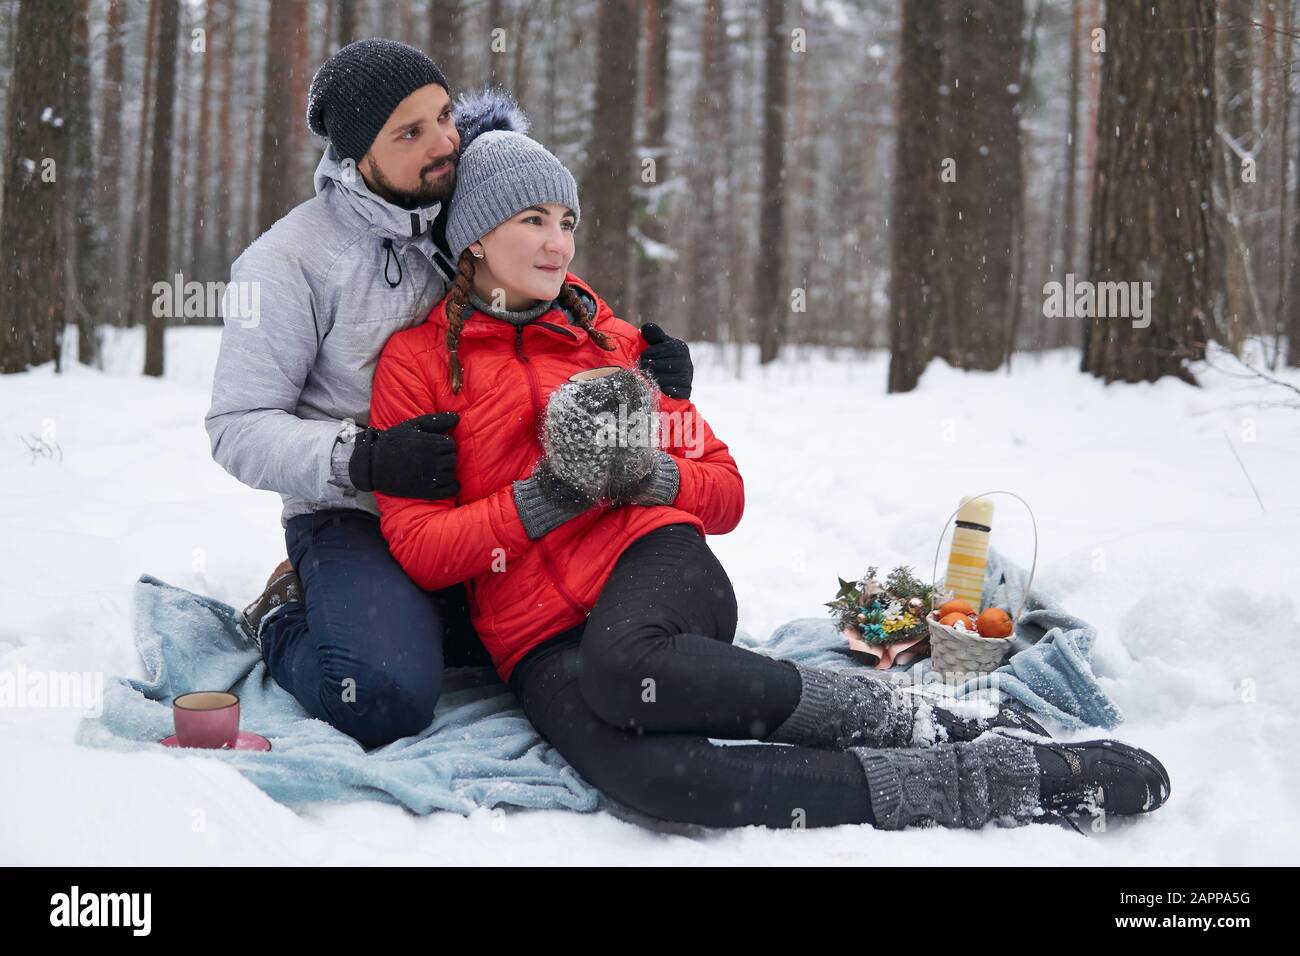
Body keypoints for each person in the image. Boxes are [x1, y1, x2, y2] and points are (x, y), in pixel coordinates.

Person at [366, 89, 1172, 831]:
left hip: (654, 563)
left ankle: (908, 718)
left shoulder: (615, 346)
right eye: (531, 220)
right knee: (660, 781)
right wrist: (547, 499)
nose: (558, 242)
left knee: (625, 668)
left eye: (567, 220)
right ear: (474, 234)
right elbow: (423, 550)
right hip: (533, 634)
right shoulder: (414, 365)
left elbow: (724, 492)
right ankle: (989, 780)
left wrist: (646, 476)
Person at [204, 38, 695, 748]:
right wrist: (362, 459)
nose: (444, 143)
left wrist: (642, 356)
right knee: (385, 695)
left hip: (481, 502)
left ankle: (421, 620)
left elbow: (544, 280)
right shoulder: (284, 265)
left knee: (578, 634)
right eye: (411, 133)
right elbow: (236, 427)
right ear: (355, 157)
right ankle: (285, 616)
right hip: (357, 513)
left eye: (443, 116)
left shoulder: (457, 201)